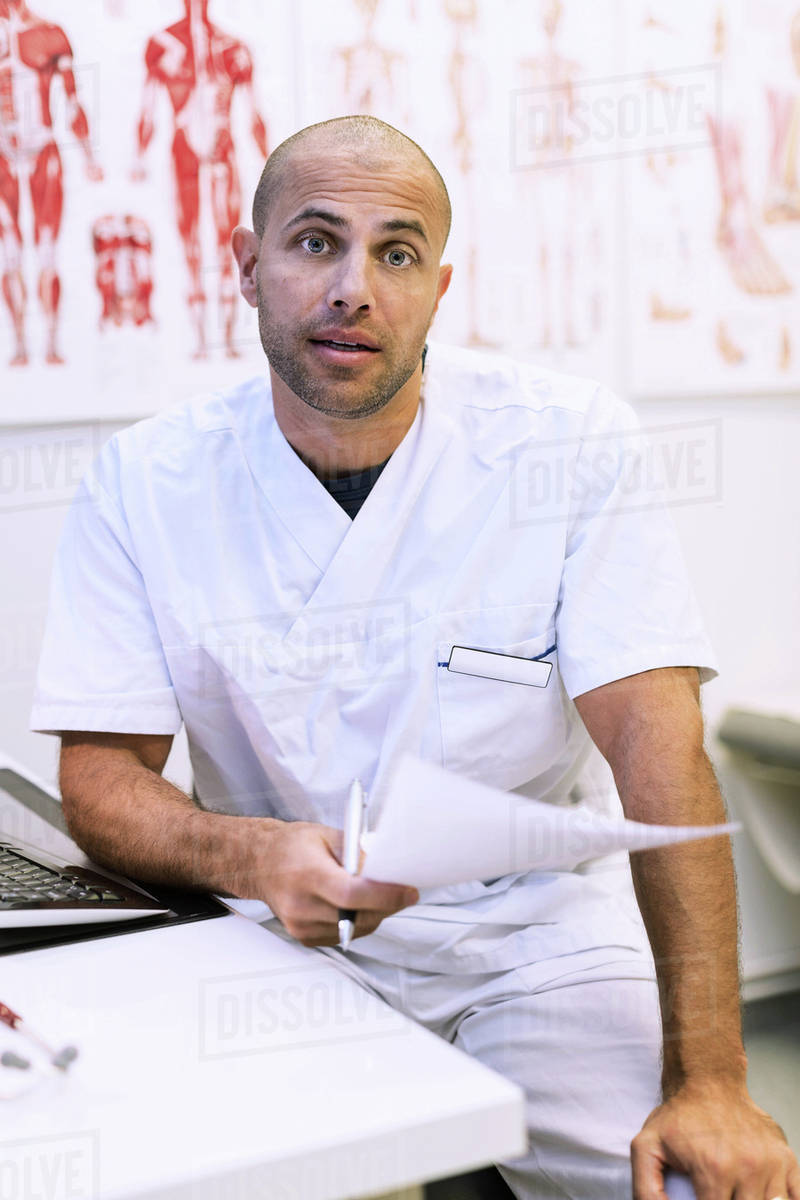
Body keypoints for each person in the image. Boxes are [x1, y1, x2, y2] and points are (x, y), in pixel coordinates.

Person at [32, 116, 798, 1200]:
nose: (354, 288)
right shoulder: (145, 481)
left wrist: (712, 1078)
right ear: (245, 267)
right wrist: (250, 859)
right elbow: (99, 777)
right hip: (272, 937)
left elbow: (660, 758)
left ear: (439, 288)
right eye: (313, 242)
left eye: (395, 252)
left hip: (530, 930)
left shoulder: (563, 447)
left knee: (692, 1183)